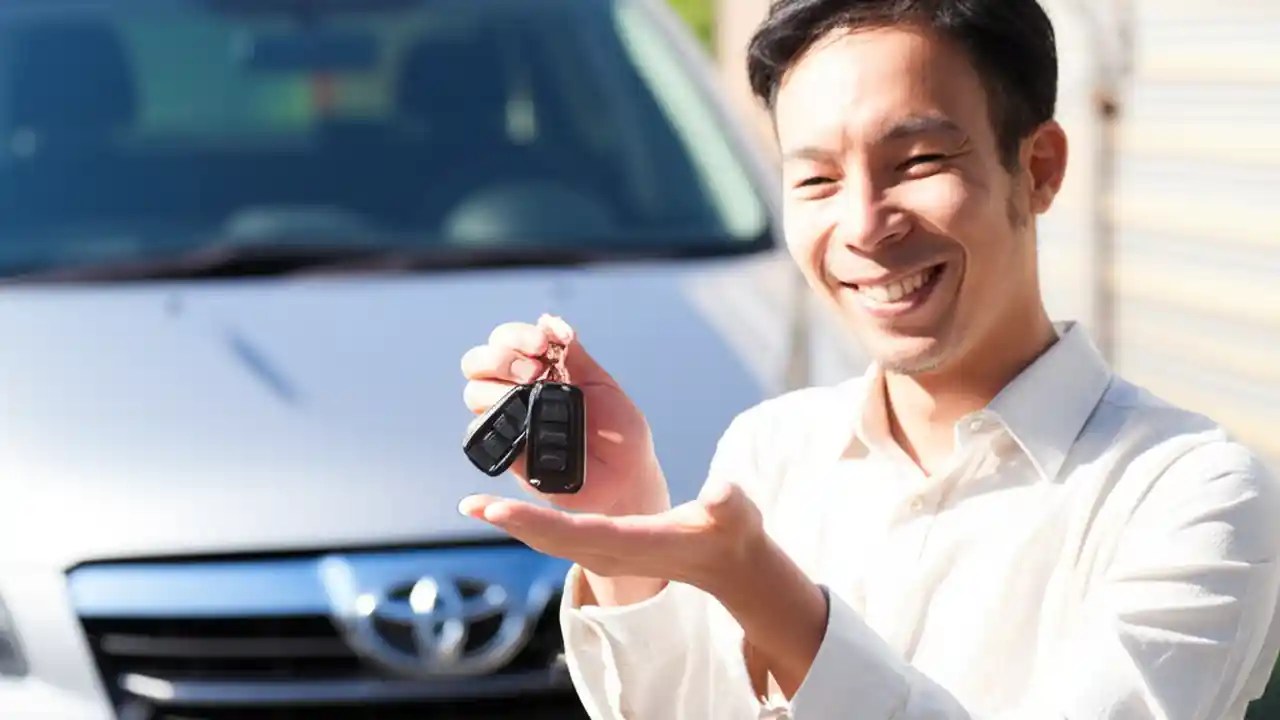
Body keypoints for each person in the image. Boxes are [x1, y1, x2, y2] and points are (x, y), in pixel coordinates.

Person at [457, 0, 1280, 717]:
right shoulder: (770, 449)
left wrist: (773, 602)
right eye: (815, 181)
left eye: (918, 163)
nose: (863, 225)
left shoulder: (1191, 493)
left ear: (1038, 168)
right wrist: (627, 518)